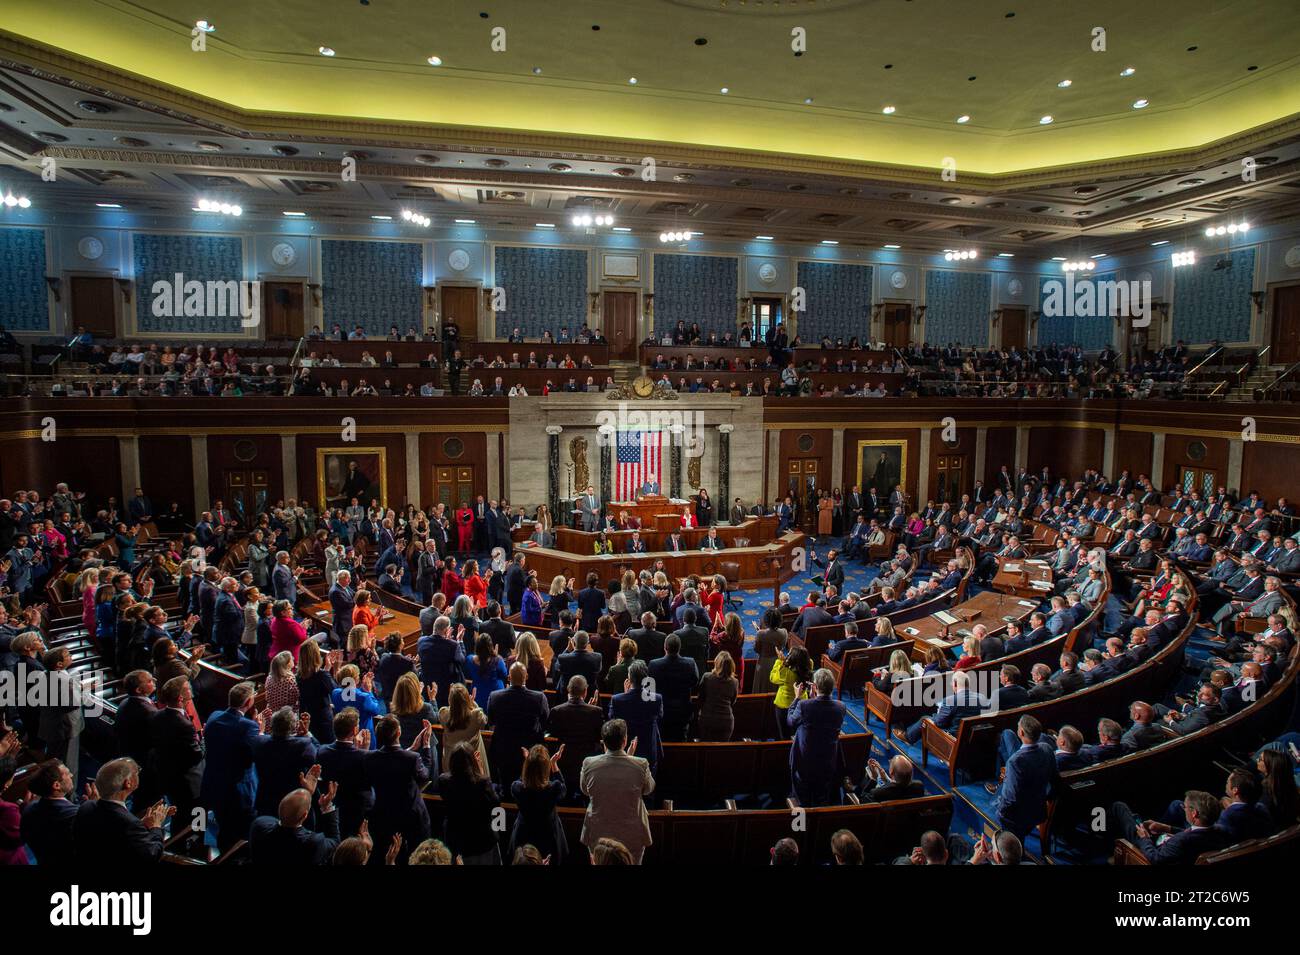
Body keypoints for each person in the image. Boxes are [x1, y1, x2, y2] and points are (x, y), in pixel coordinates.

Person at [580, 718, 655, 864]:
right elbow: (648, 789)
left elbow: (585, 790)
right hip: (632, 833)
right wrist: (630, 758)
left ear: (603, 741)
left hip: (598, 831)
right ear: (625, 740)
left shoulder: (589, 763)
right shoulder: (641, 764)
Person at [72, 757, 173, 863]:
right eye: (136, 772)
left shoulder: (85, 807)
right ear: (128, 783)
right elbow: (152, 854)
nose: (138, 774)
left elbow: (113, 837)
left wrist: (141, 824)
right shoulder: (129, 823)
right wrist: (156, 826)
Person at [365, 714, 434, 864]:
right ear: (398, 733)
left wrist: (410, 749)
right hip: (411, 817)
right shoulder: (412, 759)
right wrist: (426, 746)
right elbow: (425, 776)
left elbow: (391, 760)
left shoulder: (371, 757)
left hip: (385, 815)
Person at [248, 773, 341, 865]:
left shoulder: (260, 825)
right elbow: (335, 842)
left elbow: (294, 824)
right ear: (305, 815)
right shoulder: (313, 843)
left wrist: (307, 792)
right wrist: (326, 807)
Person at [787, 668, 847, 806]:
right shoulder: (841, 707)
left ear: (814, 686)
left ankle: (802, 826)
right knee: (822, 795)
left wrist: (796, 698)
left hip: (805, 760)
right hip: (828, 759)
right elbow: (822, 714)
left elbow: (791, 721)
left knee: (802, 797)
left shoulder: (804, 705)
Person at [486, 662, 550, 788]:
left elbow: (491, 721)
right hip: (530, 750)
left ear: (509, 678)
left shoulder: (495, 697)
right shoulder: (539, 698)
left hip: (503, 749)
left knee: (505, 785)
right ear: (526, 677)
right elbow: (545, 721)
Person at [438, 742, 502, 865]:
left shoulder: (444, 781)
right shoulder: (482, 784)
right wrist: (481, 772)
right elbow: (496, 805)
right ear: (473, 762)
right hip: (481, 842)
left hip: (457, 841)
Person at [509, 743, 569, 864]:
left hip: (524, 833)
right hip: (548, 834)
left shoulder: (517, 788)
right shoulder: (553, 789)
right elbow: (563, 787)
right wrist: (554, 764)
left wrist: (529, 764)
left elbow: (523, 780)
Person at [648, 634, 700, 742]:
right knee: (681, 740)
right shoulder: (690, 663)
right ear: (679, 648)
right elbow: (695, 682)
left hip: (662, 711)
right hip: (682, 712)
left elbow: (649, 690)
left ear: (665, 647)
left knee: (662, 740)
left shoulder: (654, 664)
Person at [771, 646, 813, 739]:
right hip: (802, 701)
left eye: (789, 654)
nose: (788, 655)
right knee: (799, 730)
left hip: (784, 705)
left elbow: (773, 678)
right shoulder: (809, 664)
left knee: (784, 732)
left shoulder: (786, 672)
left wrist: (779, 661)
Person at [698, 652, 738, 741]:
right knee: (721, 752)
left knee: (706, 749)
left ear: (717, 663)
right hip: (726, 721)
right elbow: (733, 701)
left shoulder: (707, 677)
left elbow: (700, 698)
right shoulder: (734, 682)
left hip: (707, 718)